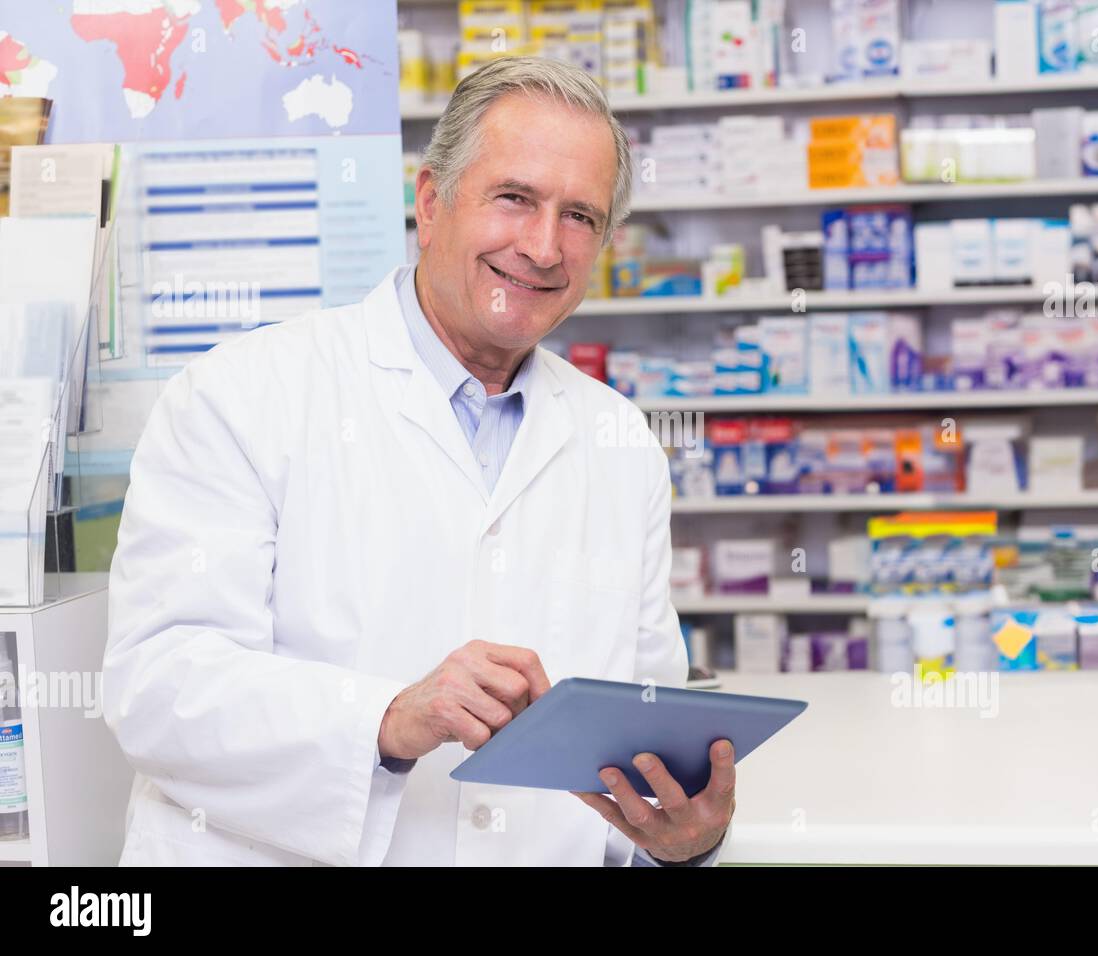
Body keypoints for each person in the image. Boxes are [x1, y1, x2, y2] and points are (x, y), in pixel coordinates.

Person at [103, 56, 735, 866]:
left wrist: (684, 841)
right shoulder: (240, 395)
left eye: (580, 216)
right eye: (514, 198)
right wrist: (390, 718)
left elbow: (644, 736)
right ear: (431, 202)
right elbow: (158, 689)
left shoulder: (620, 445)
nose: (543, 246)